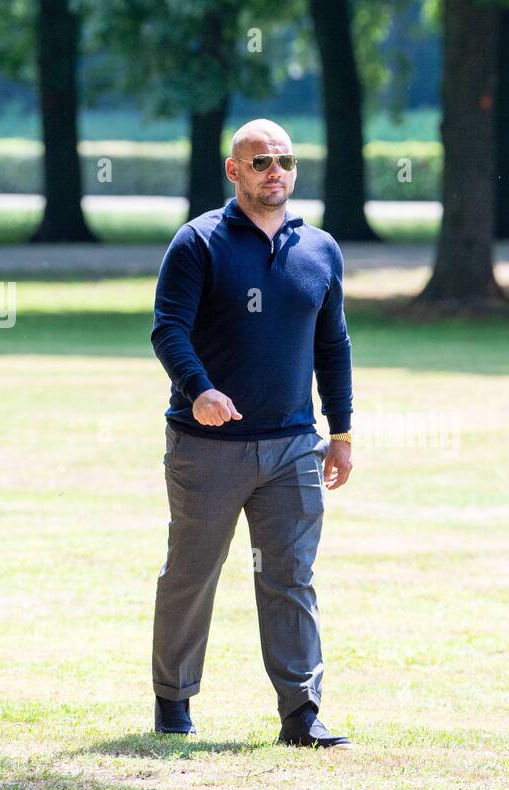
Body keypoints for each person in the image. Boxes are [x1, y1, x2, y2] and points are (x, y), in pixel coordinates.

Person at [148, 118, 354, 748]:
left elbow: (333, 343)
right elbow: (168, 329)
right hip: (207, 448)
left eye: (285, 161)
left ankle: (302, 713)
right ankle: (174, 702)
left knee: (290, 576)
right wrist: (199, 388)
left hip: (294, 444)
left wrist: (340, 431)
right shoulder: (198, 243)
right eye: (261, 161)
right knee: (192, 572)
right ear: (233, 171)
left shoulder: (319, 249)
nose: (275, 172)